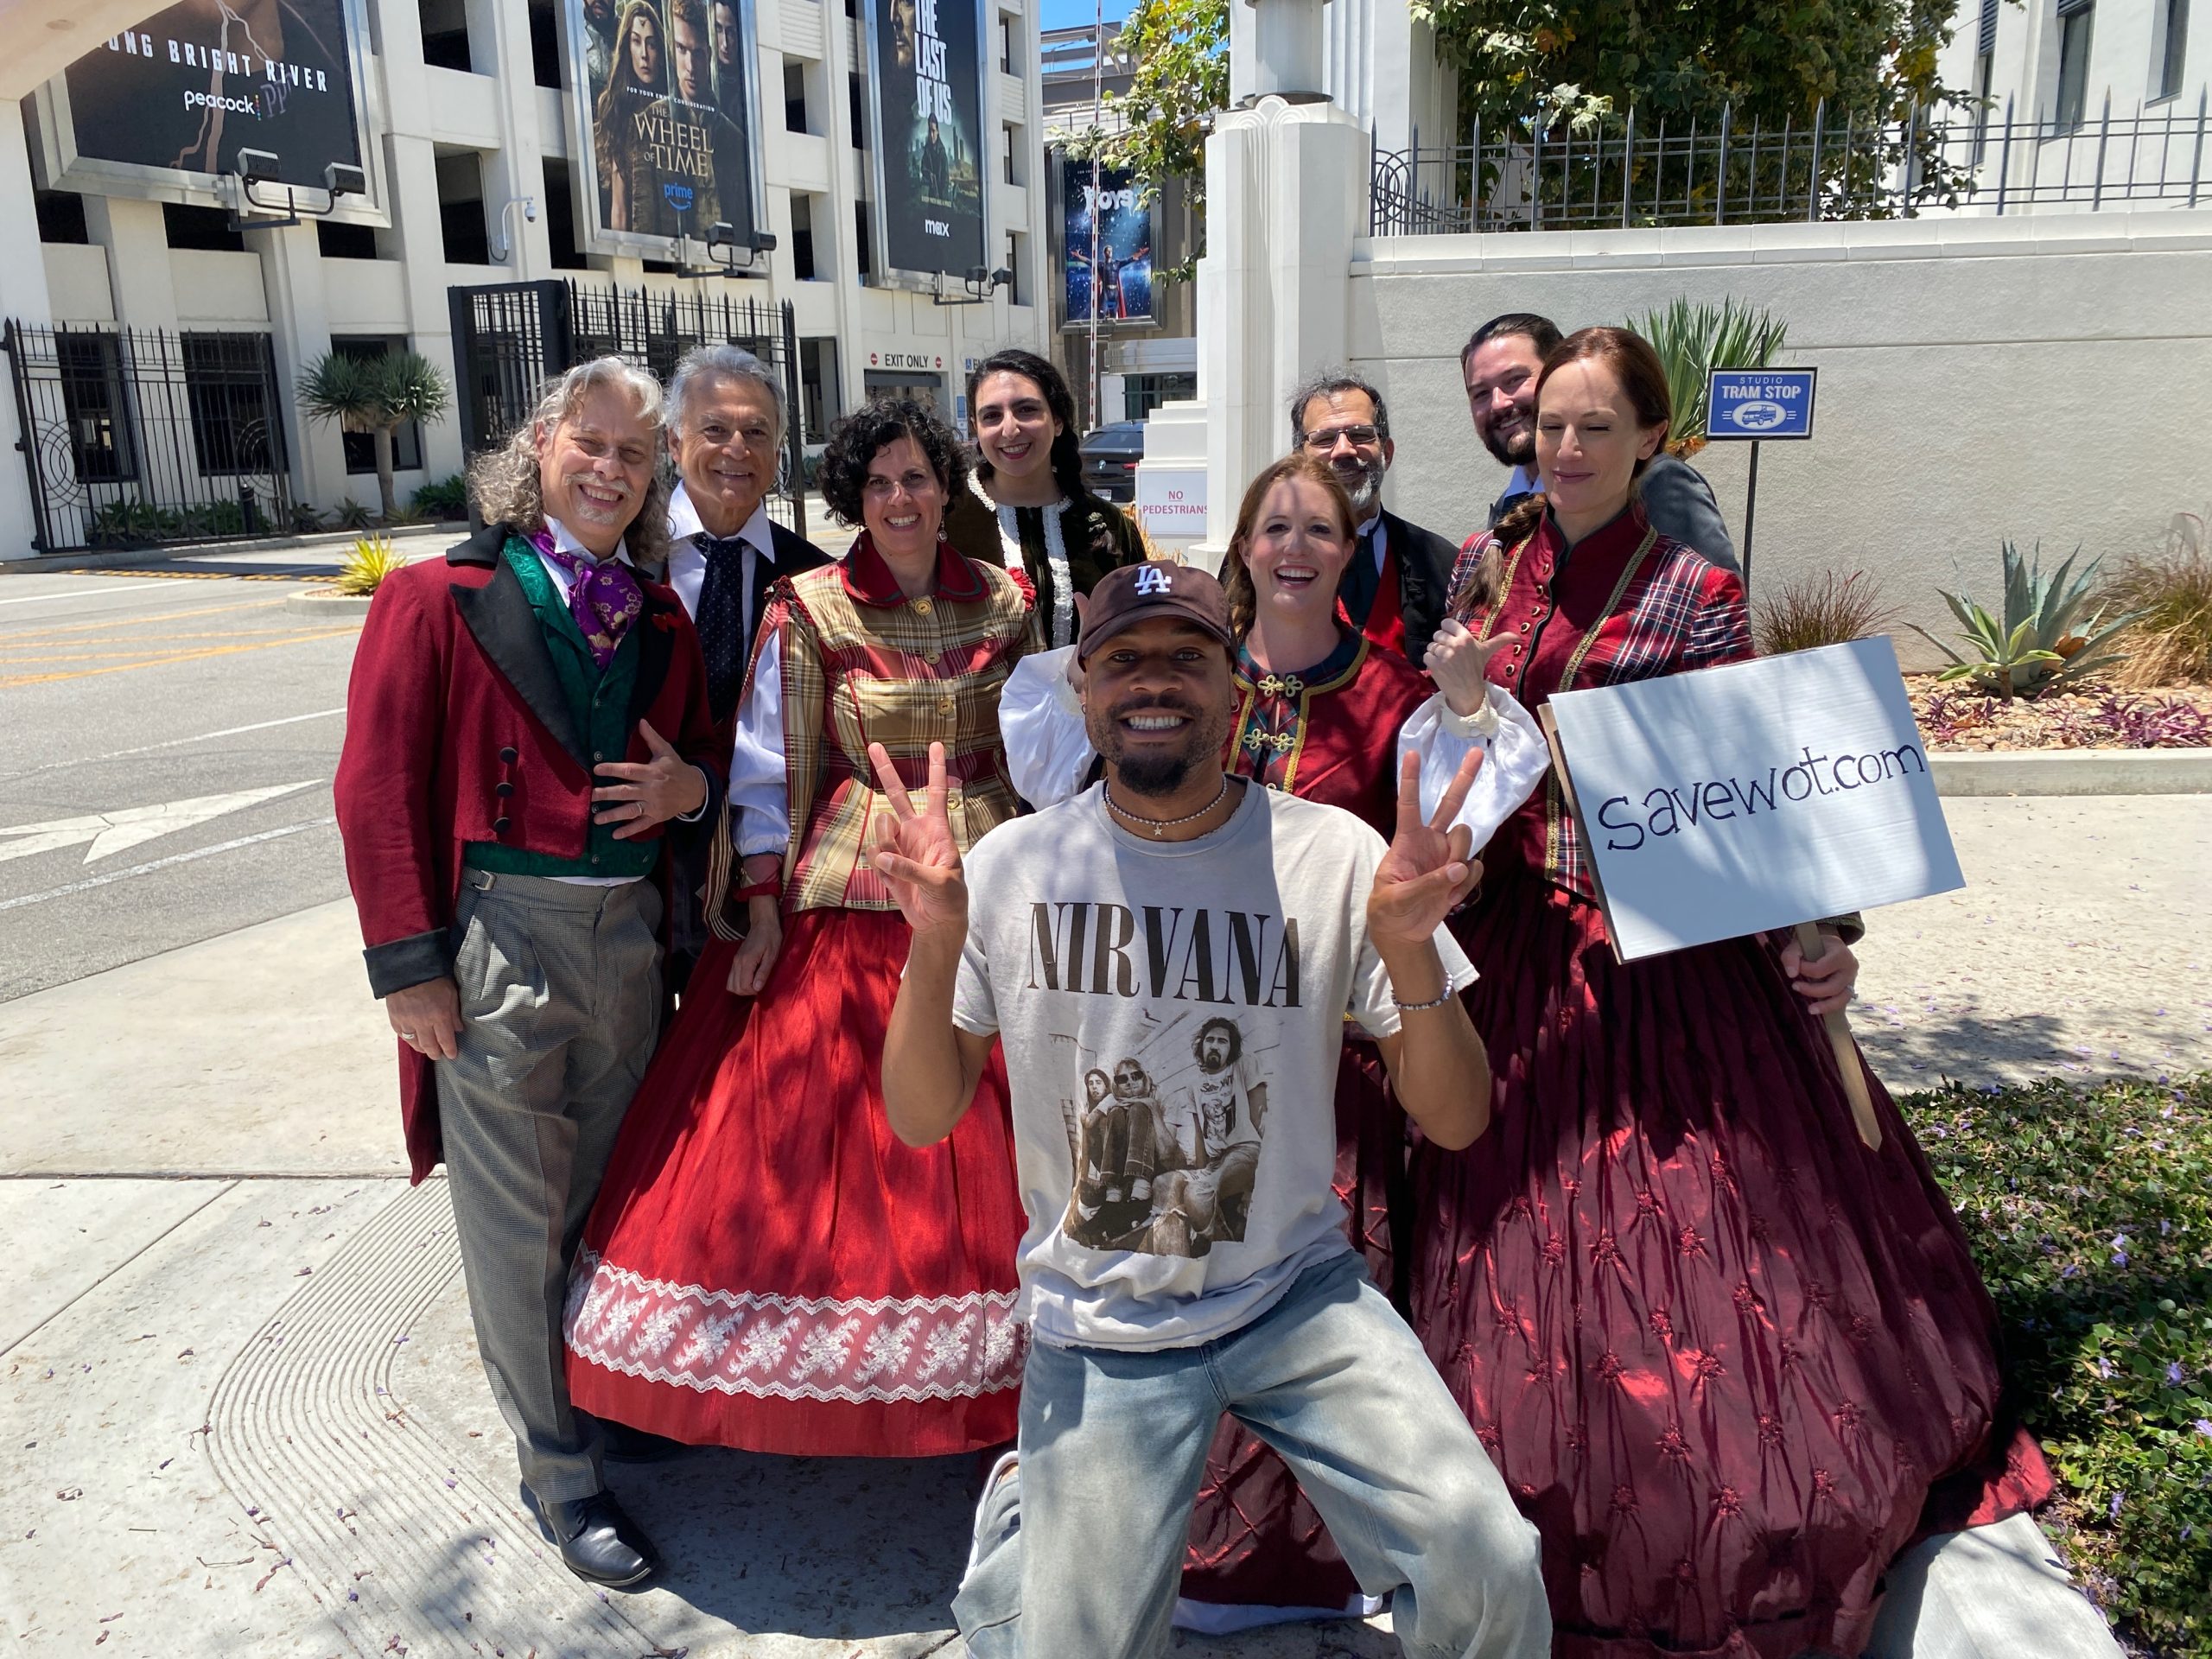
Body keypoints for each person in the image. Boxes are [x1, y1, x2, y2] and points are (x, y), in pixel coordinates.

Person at [1419, 324, 2124, 1656]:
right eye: (1550, 426)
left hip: (1666, 955)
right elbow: (1468, 755)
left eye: (1594, 429)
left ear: (1646, 442)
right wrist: (1461, 707)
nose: (1565, 448)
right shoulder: (1484, 564)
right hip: (1520, 938)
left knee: (1700, 1232)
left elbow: (1754, 778)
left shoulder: (1696, 590)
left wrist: (1824, 930)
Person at [874, 559, 1552, 1659]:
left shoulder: (1332, 856)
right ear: (1083, 693)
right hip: (1099, 1321)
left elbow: (1459, 1116)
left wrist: (1408, 950)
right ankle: (1023, 1530)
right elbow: (920, 1115)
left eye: (1186, 658)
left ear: (1235, 691)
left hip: (1296, 1295)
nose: (1155, 683)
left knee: (1489, 1559)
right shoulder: (1012, 866)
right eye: (1123, 660)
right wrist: (936, 935)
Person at [563, 398, 1035, 1458]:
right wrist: (763, 905)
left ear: (943, 487)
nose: (901, 500)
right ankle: (808, 1388)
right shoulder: (811, 604)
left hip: (988, 875)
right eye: (878, 485)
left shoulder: (1008, 602)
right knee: (822, 1150)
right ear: (852, 500)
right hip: (855, 884)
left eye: (917, 479)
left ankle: (1002, 1389)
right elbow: (773, 769)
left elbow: (1037, 749)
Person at [333, 359, 724, 1590]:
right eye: (590, 444)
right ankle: (560, 1474)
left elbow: (712, 759)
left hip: (627, 939)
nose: (610, 469)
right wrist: (409, 965)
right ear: (542, 445)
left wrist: (691, 790)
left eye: (634, 454)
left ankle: (599, 1398)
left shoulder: (658, 617)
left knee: (606, 1205)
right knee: (515, 1225)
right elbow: (375, 787)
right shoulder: (437, 597)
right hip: (497, 934)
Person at [659, 344, 832, 994]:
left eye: (757, 432)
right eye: (715, 429)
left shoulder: (812, 575)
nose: (737, 448)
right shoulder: (621, 553)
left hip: (760, 873)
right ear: (675, 442)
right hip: (634, 877)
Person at [1460, 311, 1738, 569]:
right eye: (1480, 393)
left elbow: (1714, 609)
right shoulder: (1507, 507)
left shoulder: (1654, 483)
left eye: (1514, 379)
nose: (1498, 403)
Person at [944, 348, 1146, 649]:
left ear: (1058, 419)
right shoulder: (944, 519)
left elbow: (1141, 630)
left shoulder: (1109, 525)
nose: (1010, 429)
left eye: (1026, 410)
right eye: (992, 416)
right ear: (976, 427)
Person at [1290, 372, 1462, 662]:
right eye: (1324, 439)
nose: (1344, 450)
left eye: (1360, 435)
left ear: (1387, 452)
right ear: (1299, 460)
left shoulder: (1442, 564)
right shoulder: (1261, 560)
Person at [594, 0, 664, 233]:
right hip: (638, 241)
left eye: (652, 44)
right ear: (627, 46)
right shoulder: (616, 106)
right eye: (637, 42)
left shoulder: (677, 105)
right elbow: (619, 205)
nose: (644, 54)